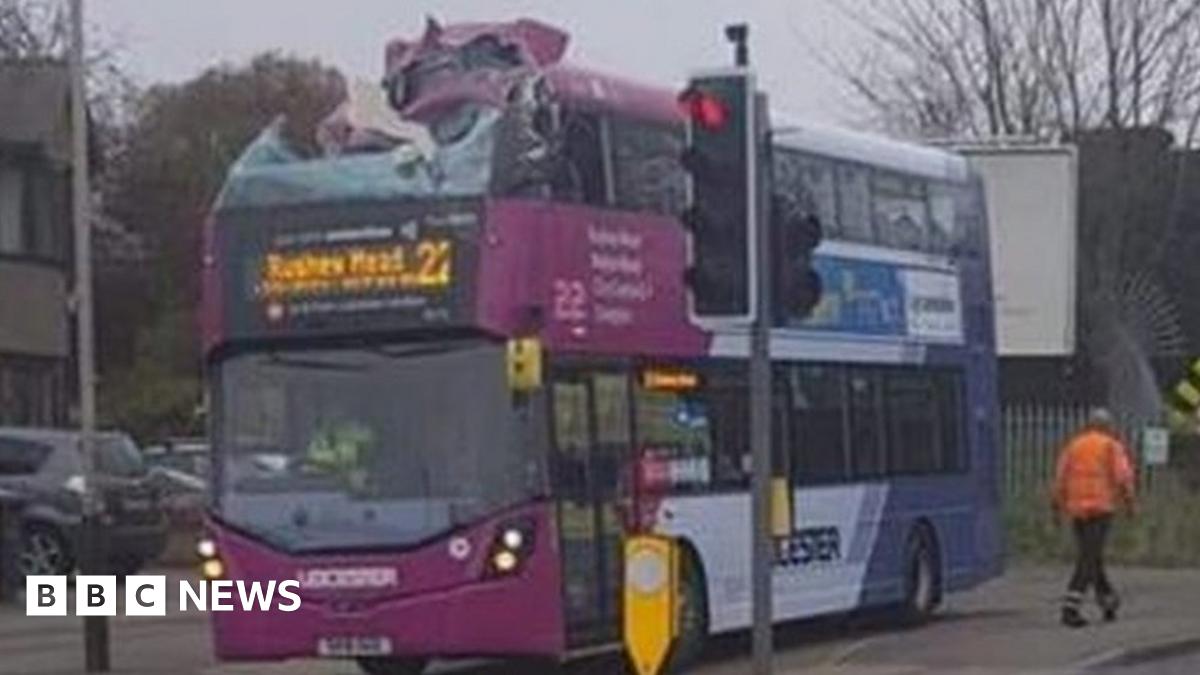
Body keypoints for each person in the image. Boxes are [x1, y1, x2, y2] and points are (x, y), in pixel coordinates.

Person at [1052, 408, 1136, 628]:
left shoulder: (1074, 446)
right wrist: (1130, 504)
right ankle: (1070, 608)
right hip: (1101, 508)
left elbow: (1060, 477)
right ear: (1107, 425)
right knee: (1088, 559)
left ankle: (1108, 602)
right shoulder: (1111, 446)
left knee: (1092, 557)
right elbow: (1122, 477)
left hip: (1077, 510)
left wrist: (1056, 508)